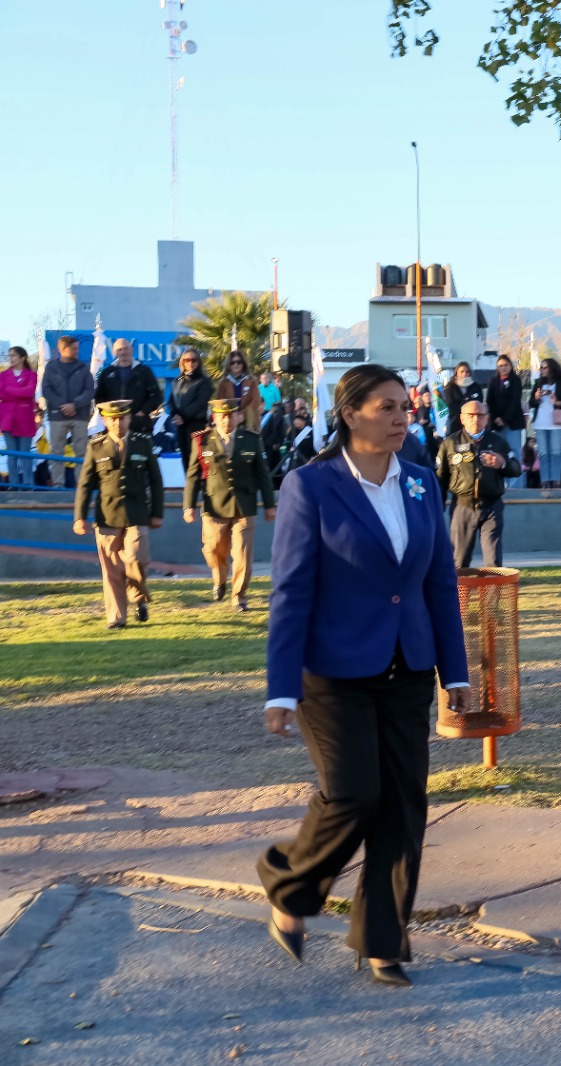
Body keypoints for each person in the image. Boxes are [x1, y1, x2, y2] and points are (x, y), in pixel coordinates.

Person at [259, 364, 468, 989]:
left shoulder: (422, 484)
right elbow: (291, 591)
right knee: (353, 794)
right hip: (333, 670)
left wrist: (453, 673)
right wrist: (280, 687)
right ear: (350, 414)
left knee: (403, 807)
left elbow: (438, 584)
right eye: (386, 407)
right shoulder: (311, 486)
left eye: (406, 406)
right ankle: (290, 886)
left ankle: (383, 942)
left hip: (409, 665)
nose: (403, 416)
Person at [72, 399, 163, 628]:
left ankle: (138, 596)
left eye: (122, 417)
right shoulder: (96, 446)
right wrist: (79, 517)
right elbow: (85, 484)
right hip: (107, 515)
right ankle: (116, 617)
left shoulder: (143, 443)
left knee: (136, 558)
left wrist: (156, 512)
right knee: (111, 570)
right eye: (112, 418)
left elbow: (156, 480)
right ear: (105, 420)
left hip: (137, 515)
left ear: (129, 418)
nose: (118, 422)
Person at [183, 397, 277, 611]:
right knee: (214, 548)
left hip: (244, 506)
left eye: (231, 415)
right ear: (215, 417)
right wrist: (188, 505)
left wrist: (270, 504)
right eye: (222, 416)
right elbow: (192, 475)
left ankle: (239, 596)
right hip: (214, 506)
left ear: (238, 416)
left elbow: (263, 473)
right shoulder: (202, 440)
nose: (227, 420)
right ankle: (219, 577)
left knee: (242, 553)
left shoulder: (251, 439)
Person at [437, 399, 521, 568]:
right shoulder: (450, 443)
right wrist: (437, 509)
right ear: (462, 418)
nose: (476, 419)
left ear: (487, 418)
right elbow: (440, 479)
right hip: (462, 506)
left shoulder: (498, 441)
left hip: (491, 507)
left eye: (480, 415)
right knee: (459, 561)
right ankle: (460, 595)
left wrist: (502, 463)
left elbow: (516, 468)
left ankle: (491, 595)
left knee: (493, 563)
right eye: (471, 415)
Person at [42, 335, 95, 488]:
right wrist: (62, 405)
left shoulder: (83, 368)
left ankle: (81, 485)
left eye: (77, 348)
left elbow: (89, 390)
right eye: (73, 349)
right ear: (62, 349)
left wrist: (75, 405)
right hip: (57, 417)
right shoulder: (51, 367)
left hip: (80, 416)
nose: (77, 351)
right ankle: (58, 484)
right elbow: (46, 389)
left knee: (81, 452)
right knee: (56, 452)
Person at [94, 339, 163, 436]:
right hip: (114, 426)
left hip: (140, 425)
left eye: (126, 349)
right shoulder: (106, 373)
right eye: (119, 349)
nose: (123, 352)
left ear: (132, 350)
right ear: (114, 352)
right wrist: (107, 416)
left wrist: (142, 412)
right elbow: (99, 398)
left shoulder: (144, 371)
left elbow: (156, 396)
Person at [166, 349, 214, 472]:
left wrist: (183, 416)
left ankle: (201, 486)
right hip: (181, 425)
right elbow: (171, 401)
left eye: (194, 360)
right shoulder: (177, 381)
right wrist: (175, 414)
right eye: (187, 360)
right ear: (183, 362)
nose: (190, 363)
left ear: (198, 362)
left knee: (196, 456)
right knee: (185, 456)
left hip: (196, 424)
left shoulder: (204, 381)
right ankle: (190, 485)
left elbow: (200, 402)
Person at [529, 357, 561, 490]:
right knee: (543, 452)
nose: (542, 370)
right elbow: (531, 403)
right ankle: (545, 481)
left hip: (557, 422)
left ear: (552, 368)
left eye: (545, 367)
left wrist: (556, 402)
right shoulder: (537, 383)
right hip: (541, 423)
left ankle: (556, 480)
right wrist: (537, 398)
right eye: (541, 368)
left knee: (555, 452)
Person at [1, 347, 39, 486]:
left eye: (14, 355)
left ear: (22, 358)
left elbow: (29, 392)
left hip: (25, 419)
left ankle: (28, 484)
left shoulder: (32, 375)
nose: (10, 358)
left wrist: (10, 391)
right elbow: (1, 393)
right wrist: (19, 393)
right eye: (9, 355)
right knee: (12, 454)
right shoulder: (3, 375)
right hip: (8, 419)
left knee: (25, 453)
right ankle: (14, 484)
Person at [485, 355, 527, 459]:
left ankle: (516, 475)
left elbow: (514, 401)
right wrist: (496, 418)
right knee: (499, 451)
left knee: (514, 451)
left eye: (505, 365)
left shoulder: (515, 380)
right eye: (500, 365)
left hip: (512, 423)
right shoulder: (493, 380)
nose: (503, 367)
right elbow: (490, 401)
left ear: (510, 366)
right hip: (497, 424)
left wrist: (505, 419)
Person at [215, 351, 263, 431]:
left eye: (239, 362)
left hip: (249, 424)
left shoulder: (251, 381)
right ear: (229, 365)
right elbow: (219, 403)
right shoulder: (223, 383)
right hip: (228, 424)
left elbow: (256, 401)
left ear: (243, 364)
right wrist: (231, 417)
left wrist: (241, 415)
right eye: (232, 362)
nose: (236, 365)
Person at [440, 362, 483, 437]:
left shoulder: (475, 386)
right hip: (455, 421)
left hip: (472, 422)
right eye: (462, 371)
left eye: (467, 372)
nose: (464, 374)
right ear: (456, 373)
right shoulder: (450, 387)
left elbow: (479, 403)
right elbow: (450, 404)